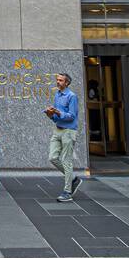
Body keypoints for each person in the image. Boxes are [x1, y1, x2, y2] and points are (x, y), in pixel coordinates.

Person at [45, 72, 82, 203]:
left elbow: (72, 115)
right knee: (53, 158)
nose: (58, 82)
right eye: (57, 80)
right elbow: (56, 118)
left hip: (68, 131)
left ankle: (67, 192)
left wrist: (58, 112)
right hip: (58, 129)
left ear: (67, 83)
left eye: (61, 80)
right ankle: (73, 178)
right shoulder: (57, 95)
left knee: (66, 161)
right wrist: (50, 114)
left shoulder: (72, 96)